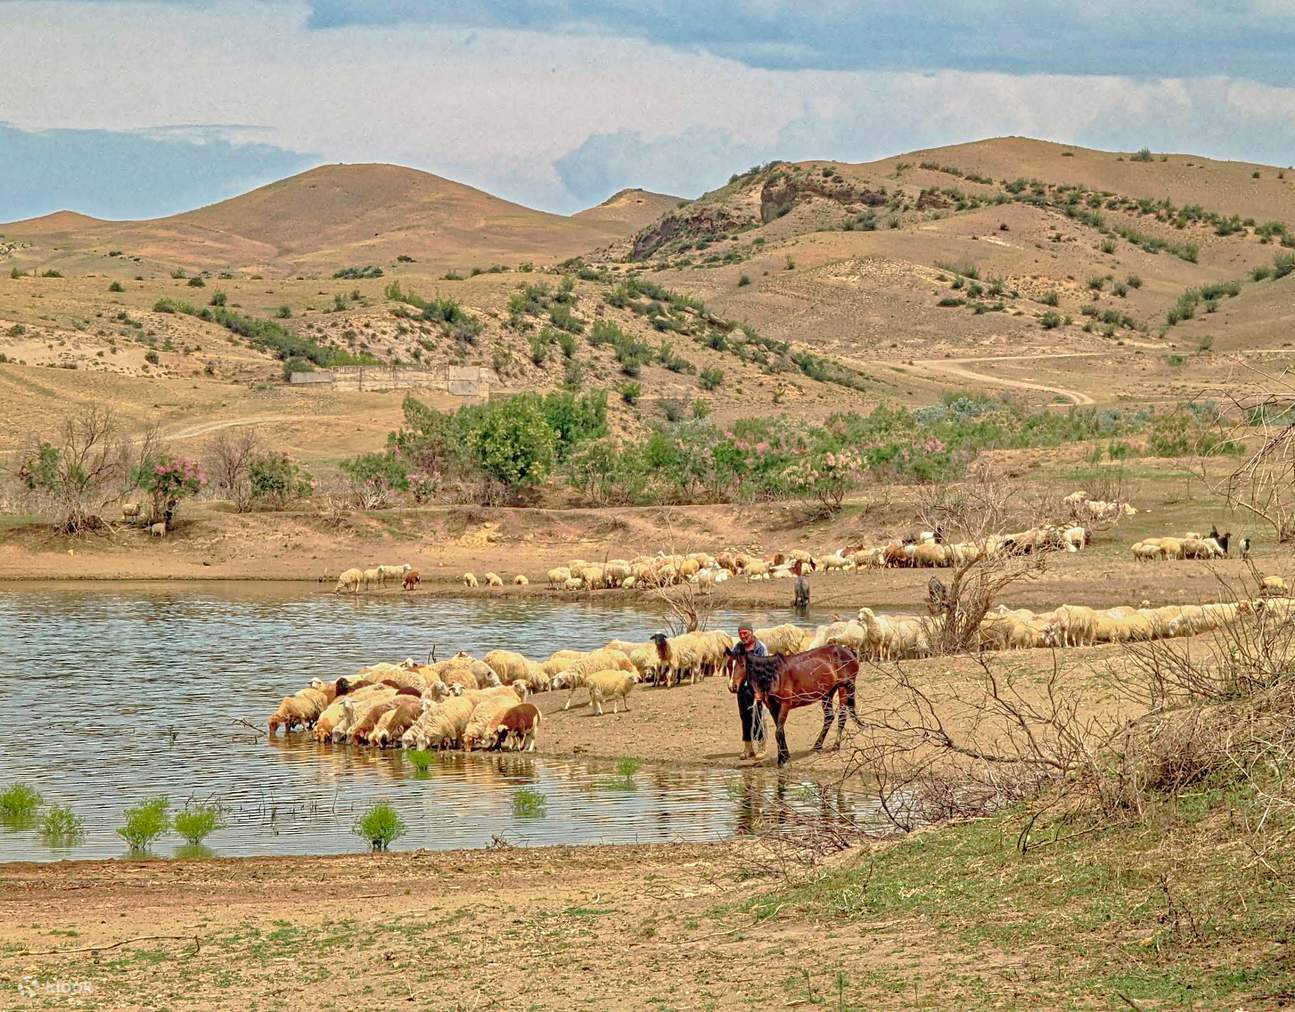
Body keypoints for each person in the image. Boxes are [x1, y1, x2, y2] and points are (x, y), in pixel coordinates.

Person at [735, 623, 768, 760]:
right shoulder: (738, 647)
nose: (743, 636)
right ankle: (748, 748)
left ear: (751, 633)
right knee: (745, 716)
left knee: (759, 717)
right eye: (740, 633)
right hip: (742, 687)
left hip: (757, 687)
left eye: (745, 633)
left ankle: (762, 747)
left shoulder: (760, 648)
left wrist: (760, 690)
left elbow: (765, 670)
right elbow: (734, 665)